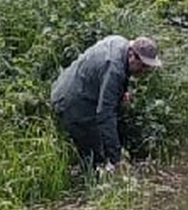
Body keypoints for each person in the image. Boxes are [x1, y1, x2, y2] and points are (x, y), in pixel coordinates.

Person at [49, 35, 161, 171]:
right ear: (132, 55)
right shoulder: (114, 69)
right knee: (95, 157)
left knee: (101, 143)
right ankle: (87, 182)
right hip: (71, 102)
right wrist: (117, 159)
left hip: (69, 86)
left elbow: (114, 74)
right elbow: (105, 115)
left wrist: (121, 91)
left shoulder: (120, 43)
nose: (144, 70)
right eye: (143, 65)